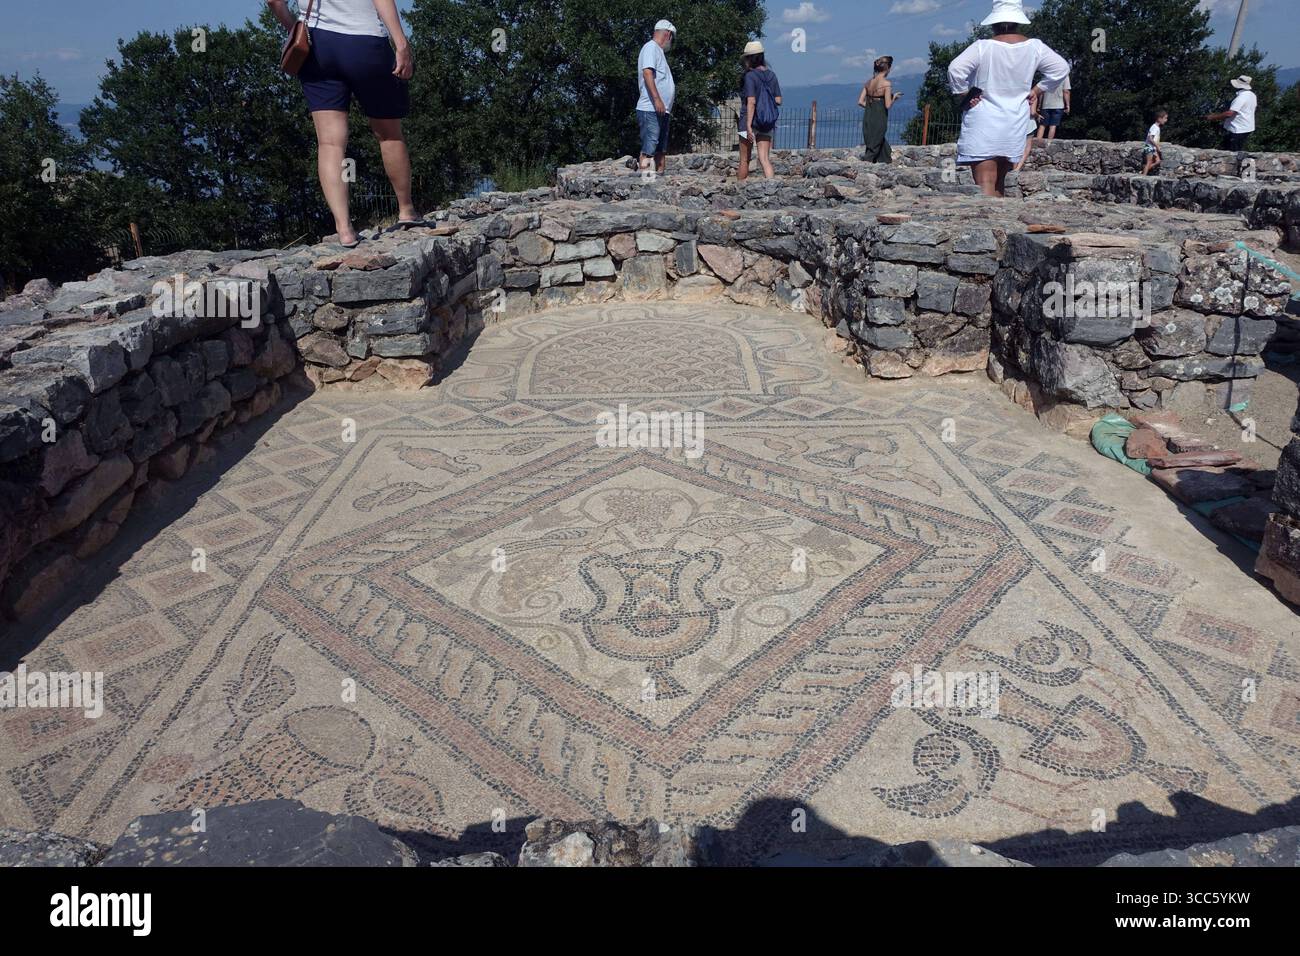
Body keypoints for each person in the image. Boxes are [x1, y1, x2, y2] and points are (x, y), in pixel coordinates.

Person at [267, 0, 416, 248]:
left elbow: (274, 1)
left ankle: (344, 228)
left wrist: (294, 28)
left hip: (318, 47)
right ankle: (406, 211)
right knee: (389, 135)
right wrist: (401, 43)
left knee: (330, 142)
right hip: (365, 42)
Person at [947, 0, 1069, 197]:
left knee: (985, 182)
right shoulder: (1035, 47)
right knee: (1000, 182)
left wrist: (965, 95)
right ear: (1018, 21)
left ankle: (987, 224)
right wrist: (1038, 89)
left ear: (993, 22)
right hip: (1014, 120)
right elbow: (1061, 68)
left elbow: (955, 69)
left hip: (984, 120)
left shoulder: (983, 47)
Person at [636, 20, 677, 176]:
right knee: (649, 148)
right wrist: (657, 99)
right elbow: (647, 73)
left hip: (661, 110)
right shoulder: (650, 48)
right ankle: (646, 185)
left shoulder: (658, 51)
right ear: (667, 34)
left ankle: (659, 185)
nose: (671, 42)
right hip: (651, 108)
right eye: (671, 38)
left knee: (661, 148)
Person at [737, 41, 782, 181]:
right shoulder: (771, 75)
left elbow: (751, 101)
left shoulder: (750, 76)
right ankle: (772, 188)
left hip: (748, 121)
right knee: (764, 159)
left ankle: (739, 191)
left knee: (745, 160)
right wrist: (765, 101)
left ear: (748, 59)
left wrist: (749, 126)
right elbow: (779, 100)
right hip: (766, 120)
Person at [858, 56, 902, 164]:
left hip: (868, 116)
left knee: (877, 140)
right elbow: (887, 105)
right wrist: (894, 98)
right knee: (876, 142)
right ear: (888, 68)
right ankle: (867, 162)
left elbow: (860, 101)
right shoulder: (887, 84)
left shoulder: (868, 83)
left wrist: (870, 108)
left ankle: (887, 161)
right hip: (880, 117)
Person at [1205, 75, 1257, 152]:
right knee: (1237, 148)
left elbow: (1229, 113)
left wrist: (1213, 117)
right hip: (1247, 127)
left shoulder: (1241, 98)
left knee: (1233, 152)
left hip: (1238, 129)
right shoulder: (1252, 95)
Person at [1036, 70, 1070, 140]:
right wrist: (1068, 105)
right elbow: (1066, 91)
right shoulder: (1065, 75)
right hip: (1058, 105)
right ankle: (1049, 144)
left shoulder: (1046, 75)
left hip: (1045, 104)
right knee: (1053, 126)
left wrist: (1039, 104)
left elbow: (1041, 92)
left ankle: (1037, 143)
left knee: (1042, 125)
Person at [1143, 109, 1168, 175]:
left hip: (1152, 148)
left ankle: (1144, 170)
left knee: (1158, 161)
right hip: (1149, 147)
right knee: (1149, 162)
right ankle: (1143, 176)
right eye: (1165, 118)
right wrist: (1157, 146)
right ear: (1159, 118)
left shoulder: (1157, 127)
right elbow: (1150, 138)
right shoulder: (1154, 127)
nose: (1166, 120)